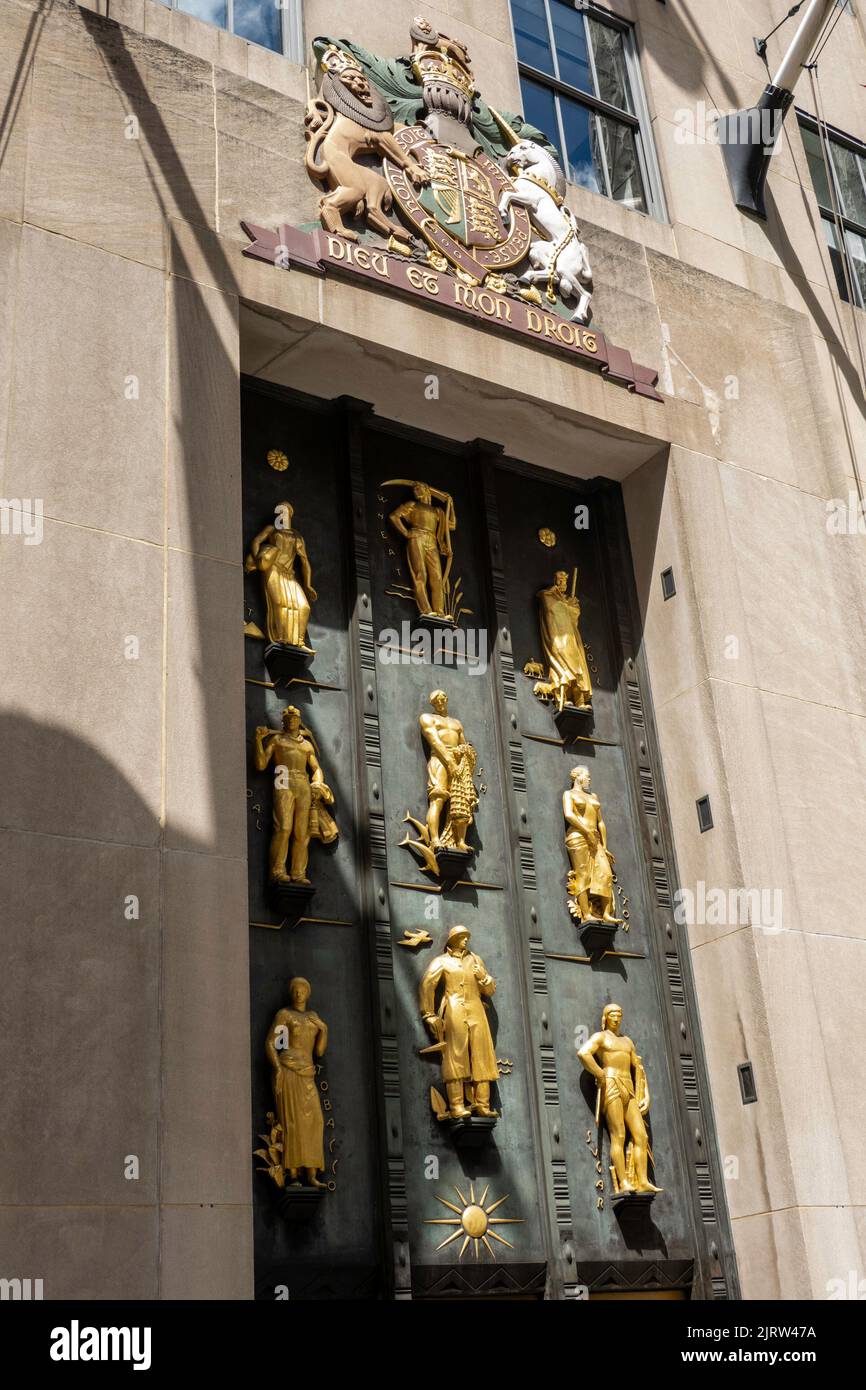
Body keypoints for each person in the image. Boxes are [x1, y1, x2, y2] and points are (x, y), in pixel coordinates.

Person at [578, 1003, 660, 1195]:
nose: (616, 1018)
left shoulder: (627, 1042)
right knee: (619, 1135)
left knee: (641, 1135)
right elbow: (583, 1053)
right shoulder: (600, 1037)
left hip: (629, 1088)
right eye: (613, 1015)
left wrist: (646, 1095)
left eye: (619, 1015)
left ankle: (642, 1181)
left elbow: (638, 1068)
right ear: (605, 1018)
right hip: (612, 1085)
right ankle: (623, 1182)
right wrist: (600, 1074)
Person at [418, 926, 498, 1119]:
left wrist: (483, 978)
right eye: (461, 937)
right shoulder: (442, 962)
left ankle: (482, 1104)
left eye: (466, 937)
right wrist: (429, 1013)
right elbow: (427, 984)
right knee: (455, 1056)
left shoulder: (475, 960)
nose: (465, 940)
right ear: (452, 940)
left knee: (482, 1055)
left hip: (477, 1009)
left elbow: (490, 990)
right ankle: (457, 1105)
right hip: (454, 1010)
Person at [254, 706, 337, 884]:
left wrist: (317, 783)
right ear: (283, 721)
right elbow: (261, 765)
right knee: (283, 828)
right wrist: (259, 741)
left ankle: (298, 873)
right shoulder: (276, 740)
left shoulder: (306, 745)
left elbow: (316, 769)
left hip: (303, 784)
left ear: (299, 721)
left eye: (295, 718)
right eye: (288, 718)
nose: (292, 720)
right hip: (283, 780)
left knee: (302, 832)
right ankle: (277, 871)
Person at [266, 978, 328, 1188]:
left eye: (302, 990)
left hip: (307, 1073)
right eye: (295, 990)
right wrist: (277, 1069)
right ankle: (292, 1174)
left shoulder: (313, 1018)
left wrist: (324, 1030)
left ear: (308, 993)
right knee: (293, 1123)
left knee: (315, 1122)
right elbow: (271, 1044)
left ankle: (311, 1174)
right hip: (290, 1071)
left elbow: (319, 1051)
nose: (299, 994)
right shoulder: (285, 1015)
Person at [245, 502, 316, 650]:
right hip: (273, 569)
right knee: (279, 603)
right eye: (280, 511)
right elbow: (257, 540)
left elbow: (304, 562)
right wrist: (258, 557)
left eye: (285, 511)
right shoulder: (272, 529)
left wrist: (308, 585)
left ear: (290, 514)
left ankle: (299, 642)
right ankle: (280, 639)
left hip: (289, 574)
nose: (282, 513)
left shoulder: (297, 536)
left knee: (303, 607)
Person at [419, 690, 477, 851]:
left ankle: (460, 841)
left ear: (446, 699)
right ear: (432, 704)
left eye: (441, 699)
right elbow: (435, 741)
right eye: (435, 701)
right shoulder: (427, 718)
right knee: (437, 799)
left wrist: (466, 755)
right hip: (439, 760)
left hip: (456, 762)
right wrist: (450, 762)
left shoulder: (456, 723)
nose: (439, 702)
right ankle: (435, 840)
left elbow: (463, 744)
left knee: (460, 800)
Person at [562, 765, 616, 922]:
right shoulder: (569, 794)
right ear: (578, 777)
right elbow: (569, 814)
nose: (589, 779)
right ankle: (586, 915)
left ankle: (606, 913)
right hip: (578, 836)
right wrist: (586, 831)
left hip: (595, 839)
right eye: (587, 776)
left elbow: (601, 823)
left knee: (606, 874)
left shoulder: (594, 796)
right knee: (583, 875)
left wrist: (604, 847)